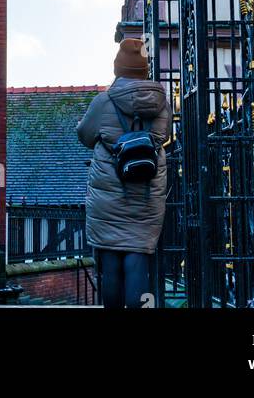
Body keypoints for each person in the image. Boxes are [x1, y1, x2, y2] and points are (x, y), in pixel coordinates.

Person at [76, 37, 170, 310]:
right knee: (138, 255)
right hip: (147, 191)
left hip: (109, 189)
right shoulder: (161, 102)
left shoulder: (103, 101)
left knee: (110, 259)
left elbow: (84, 135)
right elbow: (164, 136)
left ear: (118, 68)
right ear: (144, 68)